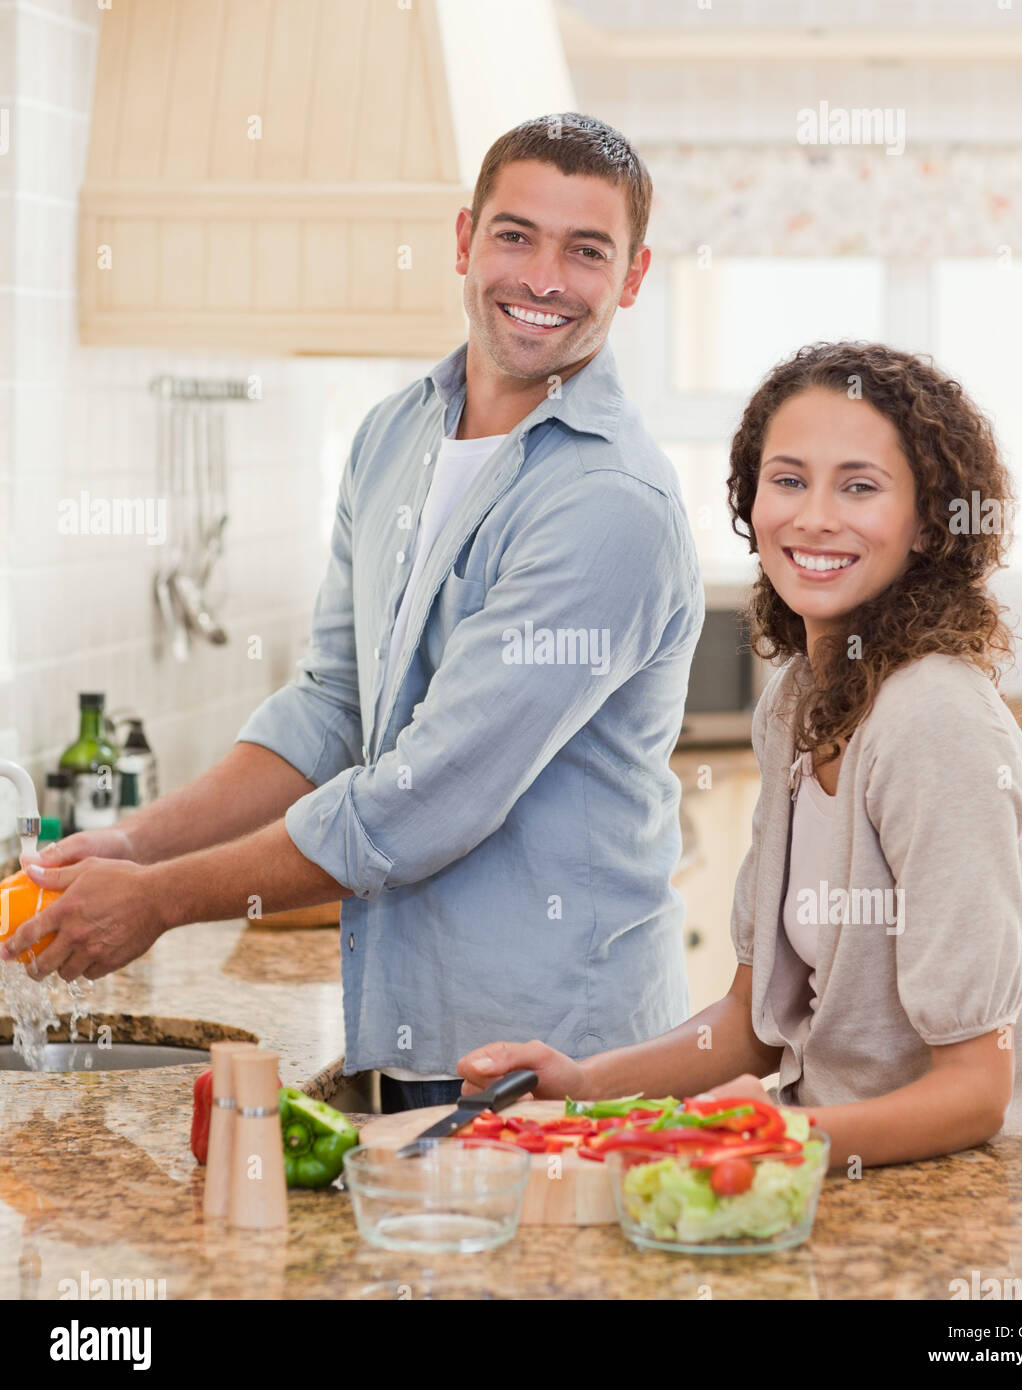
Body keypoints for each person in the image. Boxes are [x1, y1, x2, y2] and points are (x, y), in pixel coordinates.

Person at [9, 114, 704, 1112]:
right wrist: (134, 844)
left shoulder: (608, 505)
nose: (545, 277)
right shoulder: (395, 434)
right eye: (516, 235)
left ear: (632, 279)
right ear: (465, 241)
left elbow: (424, 799)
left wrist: (161, 900)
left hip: (552, 1063)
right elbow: (333, 705)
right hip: (402, 1036)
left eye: (585, 251)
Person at [458, 340, 1022, 1166]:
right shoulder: (795, 704)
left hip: (942, 1193)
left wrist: (753, 1139)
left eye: (859, 486)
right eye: (787, 479)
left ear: (925, 523)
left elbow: (973, 1094)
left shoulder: (932, 722)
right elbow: (751, 1022)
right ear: (749, 499)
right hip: (824, 1175)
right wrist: (581, 1085)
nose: (813, 516)